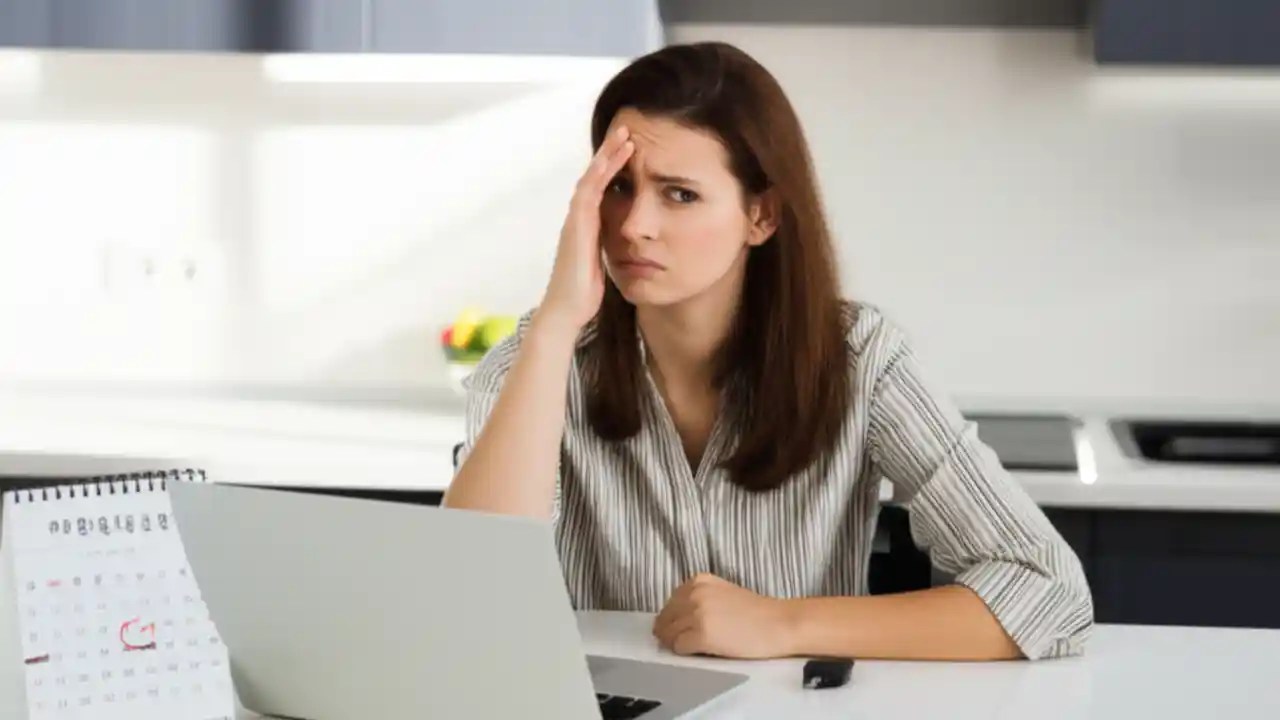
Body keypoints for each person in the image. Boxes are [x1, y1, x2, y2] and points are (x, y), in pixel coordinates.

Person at [442, 41, 1092, 662]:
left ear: (762, 216)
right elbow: (463, 603)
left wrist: (783, 623)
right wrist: (556, 323)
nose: (635, 225)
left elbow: (1050, 592)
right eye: (618, 187)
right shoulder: (535, 362)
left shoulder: (862, 360)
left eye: (680, 194)